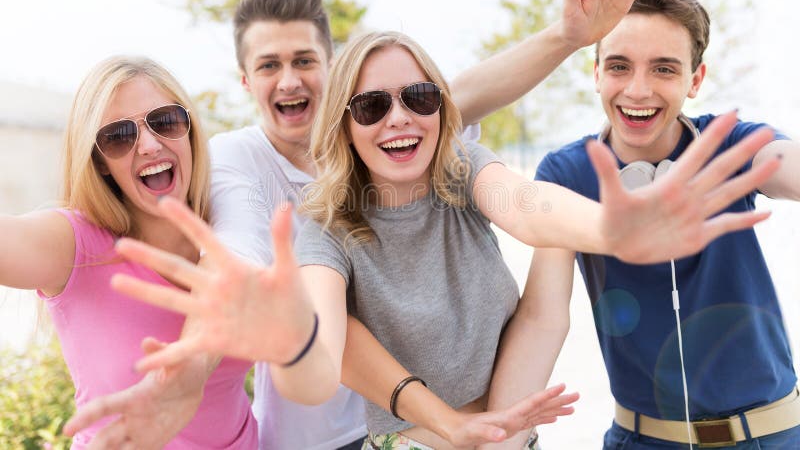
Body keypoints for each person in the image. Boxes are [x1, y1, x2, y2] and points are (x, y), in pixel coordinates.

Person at [66, 0, 675, 449]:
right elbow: (249, 259)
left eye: (304, 60)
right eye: (268, 66)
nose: (288, 81)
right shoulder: (247, 167)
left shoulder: (421, 145)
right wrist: (235, 343)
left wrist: (571, 37)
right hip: (323, 434)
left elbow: (503, 172)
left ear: (331, 69)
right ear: (245, 79)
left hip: (448, 424)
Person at [104, 29, 779, 450]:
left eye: (419, 98)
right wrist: (290, 341)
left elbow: (523, 206)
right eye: (372, 106)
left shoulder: (460, 170)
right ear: (344, 124)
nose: (399, 119)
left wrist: (610, 225)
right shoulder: (324, 226)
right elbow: (321, 366)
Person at [482, 0, 800, 449]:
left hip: (773, 437)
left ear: (695, 80)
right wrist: (497, 437)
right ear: (595, 74)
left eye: (664, 69)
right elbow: (543, 318)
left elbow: (787, 165)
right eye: (619, 66)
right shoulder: (567, 172)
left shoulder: (732, 143)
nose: (637, 89)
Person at [0, 56, 258, 448]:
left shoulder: (230, 228)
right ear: (100, 162)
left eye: (166, 121)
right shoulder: (74, 242)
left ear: (189, 130)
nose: (150, 145)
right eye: (118, 136)